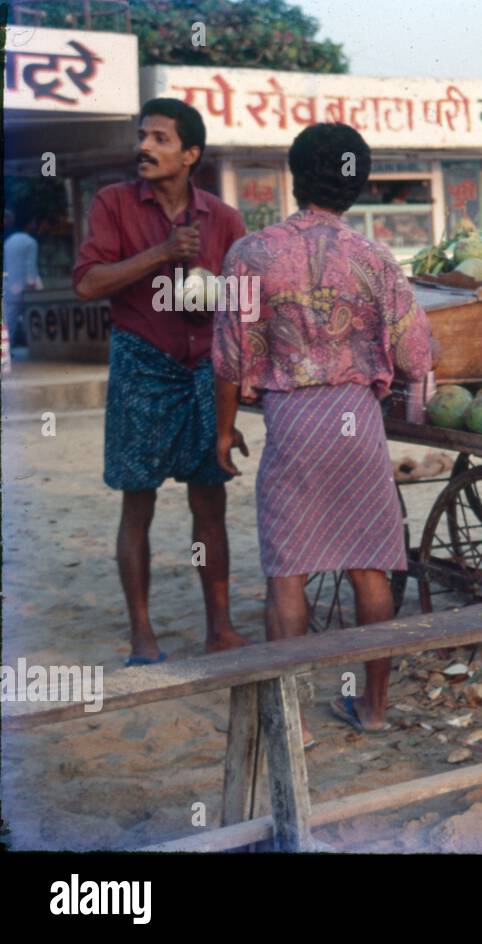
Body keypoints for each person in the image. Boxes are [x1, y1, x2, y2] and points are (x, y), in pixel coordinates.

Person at [214, 123, 436, 739]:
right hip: (357, 423)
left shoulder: (251, 254)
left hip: (290, 421)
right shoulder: (374, 258)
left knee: (288, 571)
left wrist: (223, 431)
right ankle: (374, 708)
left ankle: (288, 723)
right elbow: (417, 353)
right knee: (371, 567)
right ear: (357, 184)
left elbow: (232, 359)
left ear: (294, 174)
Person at [73, 98, 250, 665]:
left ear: (190, 154)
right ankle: (142, 635)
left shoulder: (223, 219)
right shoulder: (113, 203)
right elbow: (88, 283)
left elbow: (239, 306)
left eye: (160, 139)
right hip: (141, 364)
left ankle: (219, 627)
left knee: (209, 502)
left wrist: (237, 393)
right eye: (142, 136)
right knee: (137, 501)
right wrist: (162, 253)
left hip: (204, 371)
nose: (144, 147)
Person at [4, 207, 43, 348]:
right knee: (31, 321)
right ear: (29, 223)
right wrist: (33, 285)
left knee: (10, 321)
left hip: (10, 288)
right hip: (25, 289)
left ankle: (7, 350)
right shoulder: (31, 242)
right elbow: (30, 267)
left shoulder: (9, 242)